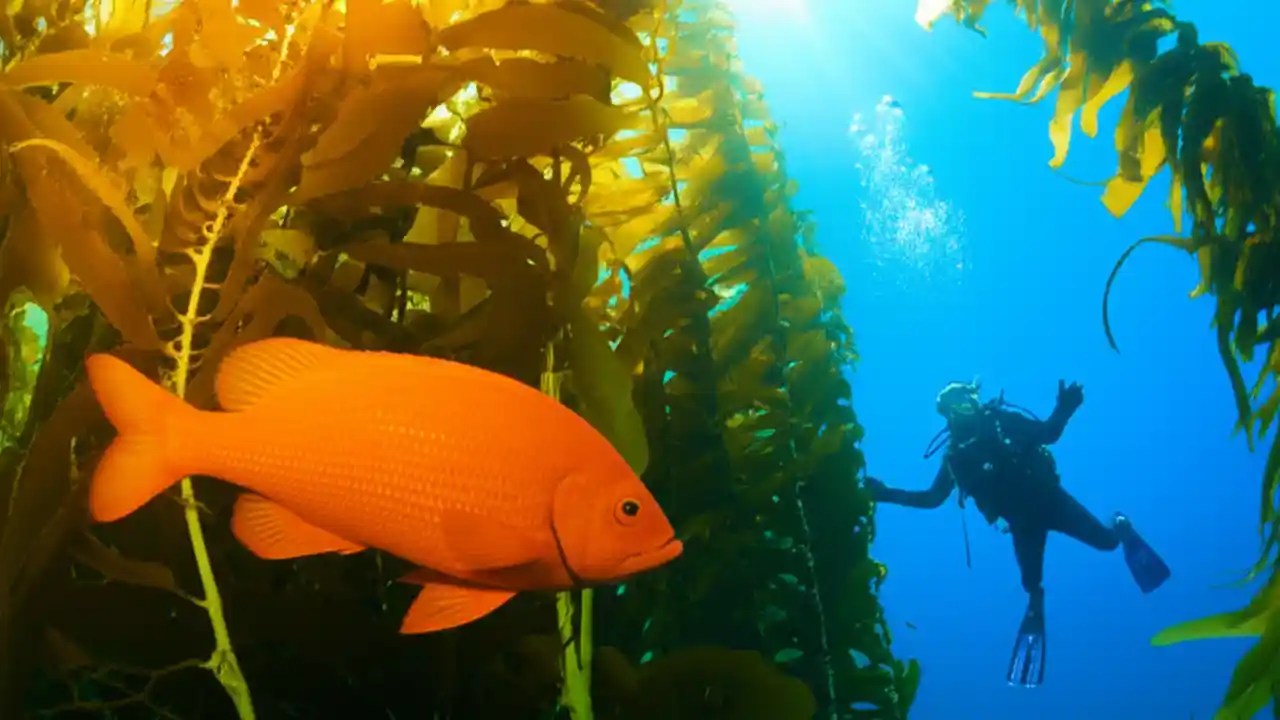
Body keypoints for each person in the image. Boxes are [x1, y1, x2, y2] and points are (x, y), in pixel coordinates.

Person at [865, 378, 1170, 688]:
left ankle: (1121, 527)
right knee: (1030, 583)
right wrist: (886, 493)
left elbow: (1047, 433)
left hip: (1050, 500)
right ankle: (1035, 604)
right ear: (947, 416)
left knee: (1106, 543)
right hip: (1023, 522)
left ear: (974, 401)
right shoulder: (955, 459)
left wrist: (1065, 408)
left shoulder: (1001, 421)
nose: (963, 409)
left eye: (966, 400)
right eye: (953, 406)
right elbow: (932, 499)